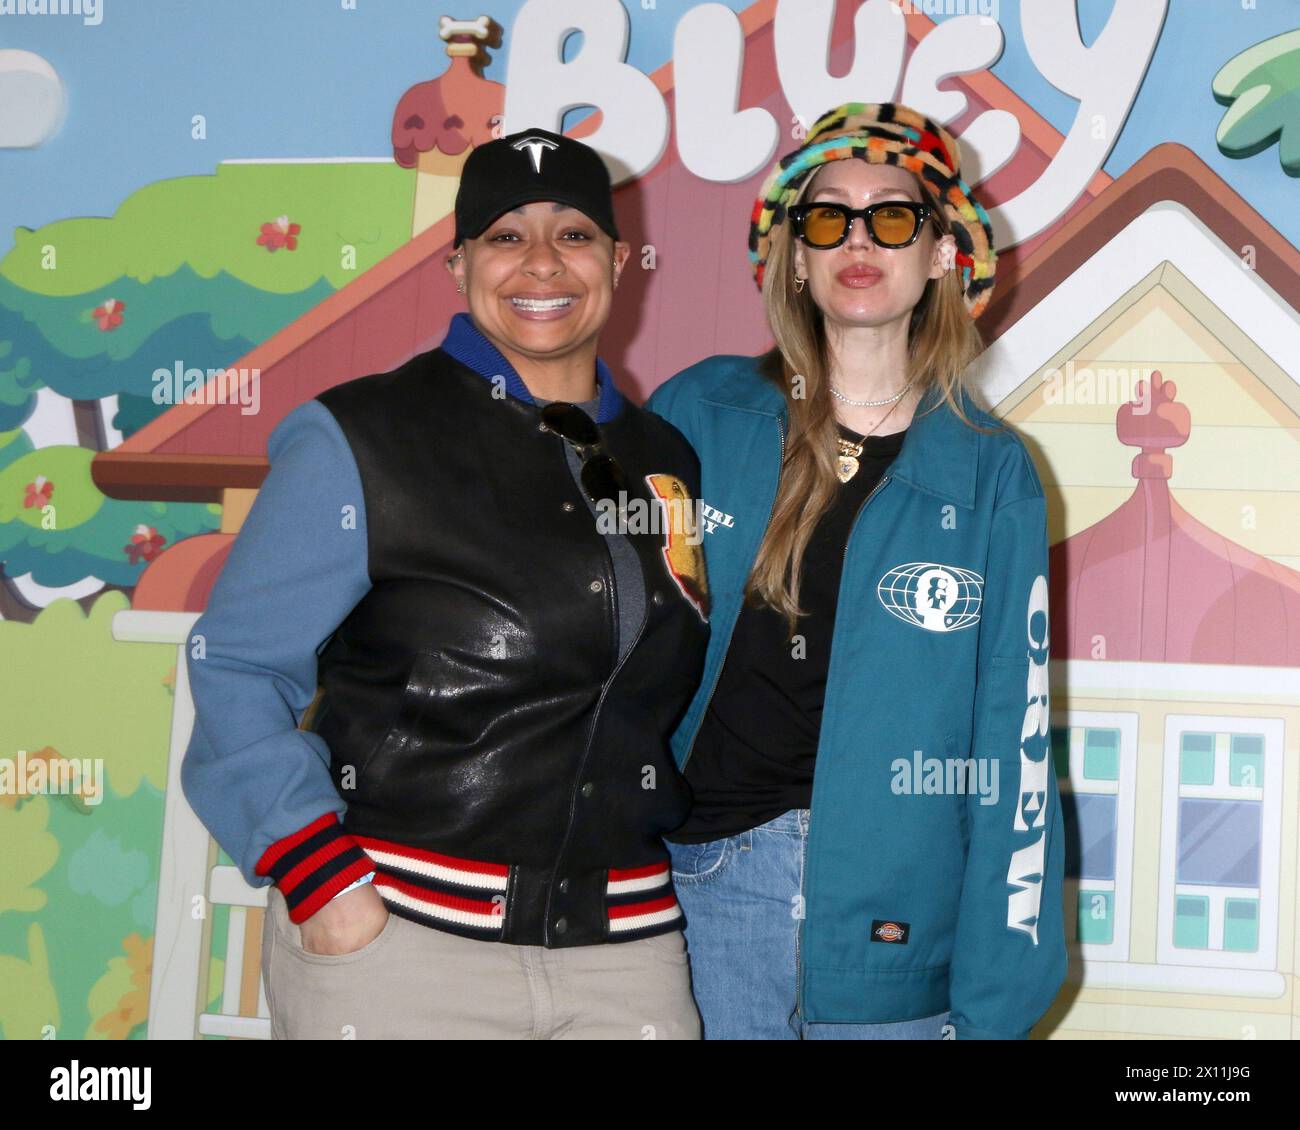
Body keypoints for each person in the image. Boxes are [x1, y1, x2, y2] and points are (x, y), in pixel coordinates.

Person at [181, 127, 712, 1039]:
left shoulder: (665, 460)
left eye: (574, 234)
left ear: (620, 262)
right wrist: (324, 886)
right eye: (506, 236)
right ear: (459, 262)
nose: (541, 263)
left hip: (630, 956)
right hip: (403, 949)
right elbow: (233, 666)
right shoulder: (361, 435)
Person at [645, 103, 1066, 1040]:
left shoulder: (992, 474)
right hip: (699, 900)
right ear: (796, 256)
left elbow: (1017, 744)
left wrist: (998, 1002)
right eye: (827, 217)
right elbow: (608, 653)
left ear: (940, 251)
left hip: (899, 925)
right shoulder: (702, 414)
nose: (858, 239)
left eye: (894, 215)